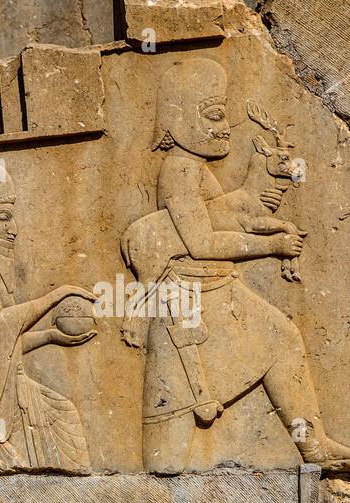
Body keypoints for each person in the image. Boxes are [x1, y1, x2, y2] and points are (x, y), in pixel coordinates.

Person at [126, 58, 350, 471]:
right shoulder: (178, 172)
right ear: (175, 121)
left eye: (225, 114)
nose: (225, 125)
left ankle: (312, 443)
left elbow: (230, 216)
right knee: (168, 444)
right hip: (192, 307)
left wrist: (269, 228)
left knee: (282, 338)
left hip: (216, 295)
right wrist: (271, 247)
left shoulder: (197, 170)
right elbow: (203, 242)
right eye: (213, 114)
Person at [0, 159, 97, 472]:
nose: (13, 230)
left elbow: (1, 346)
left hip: (5, 386)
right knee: (63, 420)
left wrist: (51, 336)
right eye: (2, 217)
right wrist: (55, 296)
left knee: (63, 417)